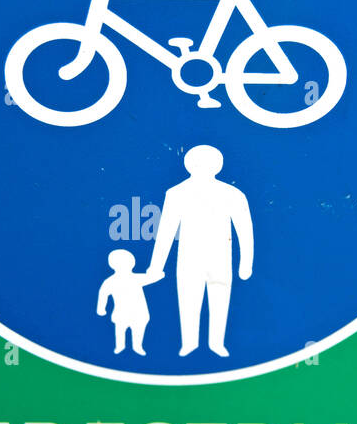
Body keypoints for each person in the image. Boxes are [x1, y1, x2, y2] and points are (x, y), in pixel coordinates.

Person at [146, 145, 253, 357]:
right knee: (188, 301)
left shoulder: (233, 194)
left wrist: (246, 264)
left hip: (220, 258)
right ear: (189, 165)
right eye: (198, 164)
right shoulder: (176, 193)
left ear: (218, 166)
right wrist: (156, 266)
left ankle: (217, 343)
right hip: (189, 259)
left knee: (220, 299)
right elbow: (166, 232)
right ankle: (188, 343)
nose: (203, 167)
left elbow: (244, 230)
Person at [96, 249, 154, 355]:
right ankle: (120, 346)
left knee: (138, 329)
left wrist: (157, 274)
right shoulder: (111, 281)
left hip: (138, 313)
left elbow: (151, 278)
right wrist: (101, 309)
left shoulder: (136, 277)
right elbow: (103, 294)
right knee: (120, 330)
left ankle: (137, 346)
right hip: (122, 313)